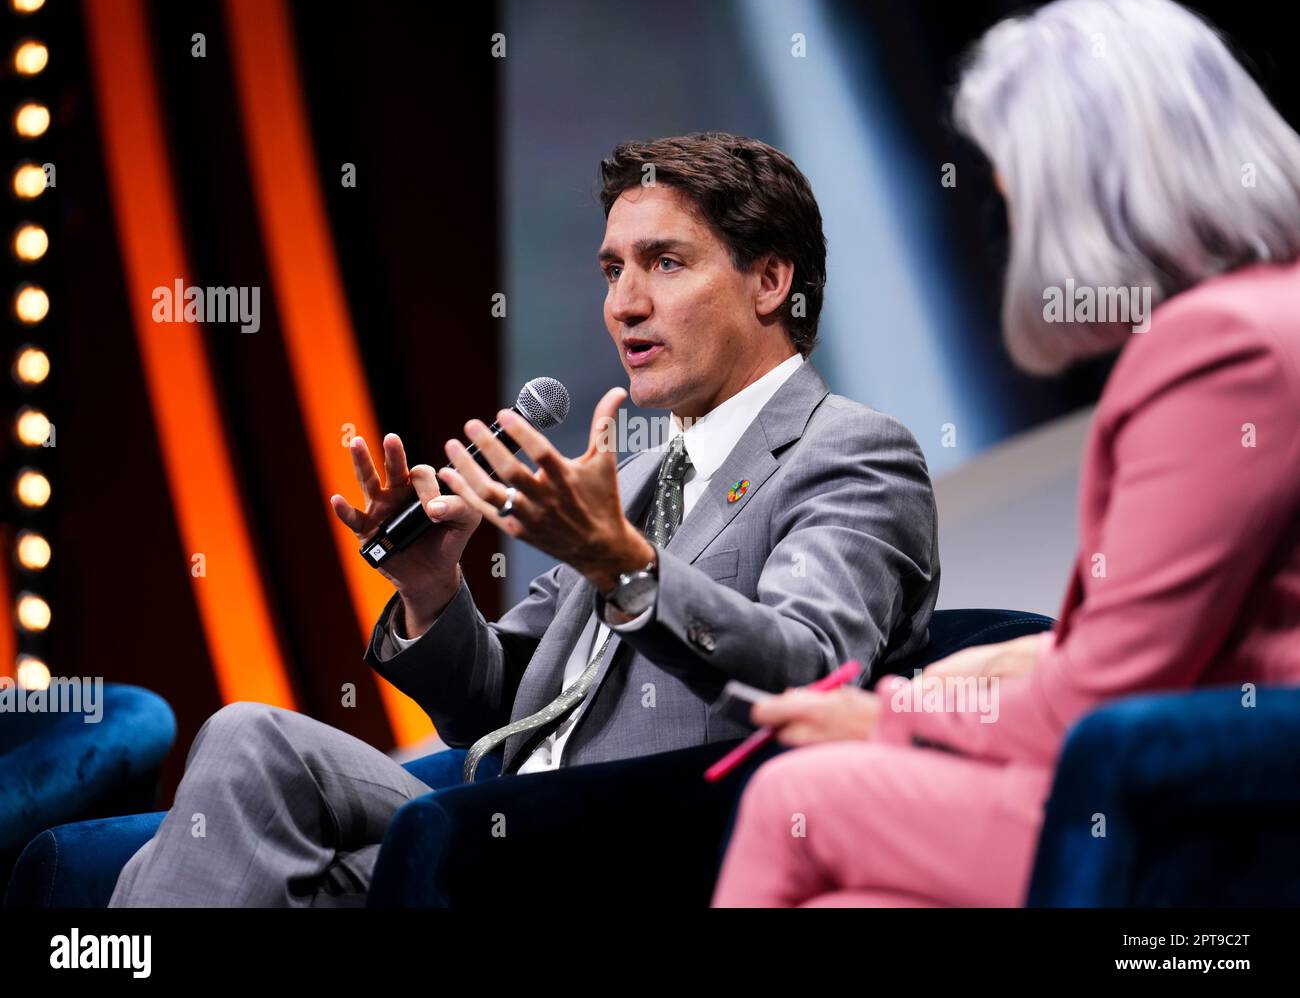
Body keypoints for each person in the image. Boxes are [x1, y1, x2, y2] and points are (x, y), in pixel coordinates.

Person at [109, 132, 940, 907]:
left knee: (221, 812)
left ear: (771, 281)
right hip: (492, 819)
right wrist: (433, 589)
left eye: (665, 263)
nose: (625, 304)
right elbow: (502, 700)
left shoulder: (853, 451)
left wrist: (625, 568)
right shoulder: (644, 471)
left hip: (637, 841)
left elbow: (817, 674)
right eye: (613, 270)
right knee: (239, 766)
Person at [712, 0, 1300, 908]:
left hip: (1217, 815)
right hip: (1213, 779)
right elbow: (1183, 636)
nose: (1012, 223)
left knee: (797, 794)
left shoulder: (1218, 349)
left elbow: (1101, 700)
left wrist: (887, 714)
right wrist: (985, 675)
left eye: (1015, 193)